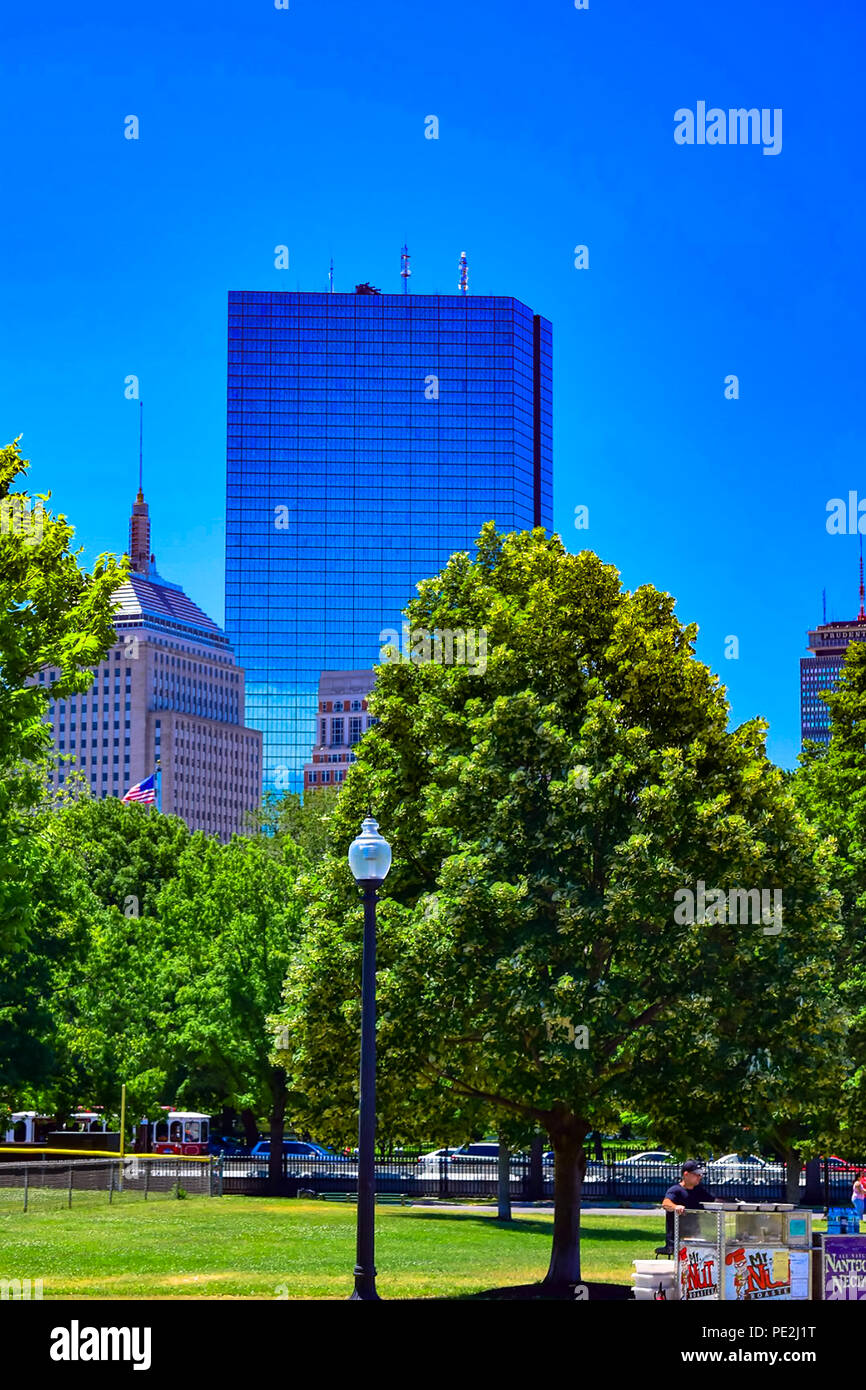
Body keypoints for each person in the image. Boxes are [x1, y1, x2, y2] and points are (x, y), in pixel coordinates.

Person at [661, 1160, 716, 1250]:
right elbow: (665, 1203)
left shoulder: (699, 1190)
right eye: (697, 1175)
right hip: (677, 1241)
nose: (700, 1177)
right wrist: (676, 1207)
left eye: (700, 1175)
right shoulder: (675, 1190)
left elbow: (713, 1201)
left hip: (696, 1237)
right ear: (686, 1174)